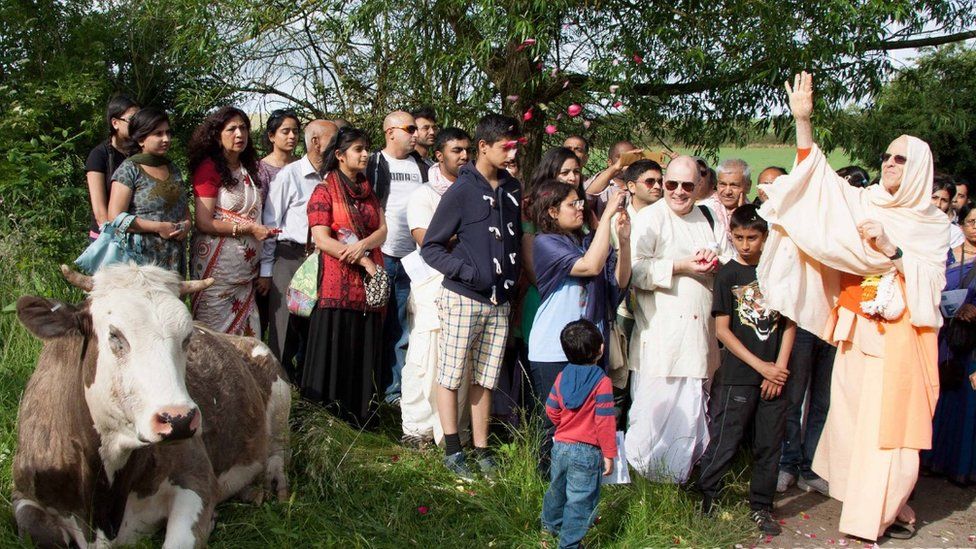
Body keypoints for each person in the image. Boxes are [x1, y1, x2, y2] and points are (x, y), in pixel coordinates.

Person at [756, 72, 948, 542]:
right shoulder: (866, 201)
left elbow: (933, 281)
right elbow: (817, 191)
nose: (889, 164)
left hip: (902, 337)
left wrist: (895, 252)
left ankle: (874, 516)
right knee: (853, 422)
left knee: (889, 429)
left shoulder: (933, 222)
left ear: (919, 167)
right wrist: (803, 122)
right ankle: (882, 505)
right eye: (886, 156)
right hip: (857, 329)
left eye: (901, 159)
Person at [421, 113, 523, 478]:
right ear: (483, 147)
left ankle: (481, 450)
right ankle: (452, 450)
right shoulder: (461, 191)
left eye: (515, 146)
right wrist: (468, 273)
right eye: (506, 147)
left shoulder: (513, 190)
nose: (512, 154)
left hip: (500, 302)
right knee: (450, 375)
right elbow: (431, 247)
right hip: (463, 297)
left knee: (486, 378)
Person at [624, 155, 731, 483]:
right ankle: (644, 475)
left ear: (699, 186)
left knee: (692, 407)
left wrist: (716, 263)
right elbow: (634, 271)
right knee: (656, 406)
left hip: (700, 332)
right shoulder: (651, 218)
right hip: (661, 334)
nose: (679, 192)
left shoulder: (709, 217)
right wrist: (681, 266)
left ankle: (680, 475)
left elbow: (728, 258)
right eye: (671, 184)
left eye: (687, 185)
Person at [697, 204, 796, 536]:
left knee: (769, 444)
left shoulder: (778, 272)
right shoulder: (728, 274)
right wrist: (761, 367)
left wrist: (779, 368)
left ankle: (761, 506)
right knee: (726, 438)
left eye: (752, 237)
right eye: (738, 237)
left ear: (765, 237)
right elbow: (723, 330)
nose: (745, 244)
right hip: (740, 374)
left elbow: (789, 323)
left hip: (776, 374)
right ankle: (707, 498)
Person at [528, 181, 630, 472]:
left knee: (589, 416)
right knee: (553, 418)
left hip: (590, 349)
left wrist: (624, 242)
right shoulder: (545, 242)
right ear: (552, 210)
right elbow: (589, 267)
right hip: (553, 348)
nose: (581, 208)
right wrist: (607, 218)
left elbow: (619, 284)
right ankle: (545, 477)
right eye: (573, 204)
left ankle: (582, 476)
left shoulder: (589, 241)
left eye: (581, 203)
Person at [303, 126, 388, 427]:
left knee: (362, 345)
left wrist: (364, 248)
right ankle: (325, 416)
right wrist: (362, 259)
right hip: (336, 282)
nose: (365, 154)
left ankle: (359, 416)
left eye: (366, 148)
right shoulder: (323, 190)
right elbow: (322, 239)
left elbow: (382, 230)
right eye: (358, 149)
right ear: (339, 155)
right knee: (335, 343)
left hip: (367, 284)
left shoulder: (369, 191)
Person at [400, 127, 472, 447]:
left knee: (460, 361)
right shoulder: (424, 195)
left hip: (467, 286)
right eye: (457, 150)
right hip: (432, 285)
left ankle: (453, 433)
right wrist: (470, 234)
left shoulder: (477, 192)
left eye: (468, 150)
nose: (465, 156)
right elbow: (426, 240)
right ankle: (418, 430)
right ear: (440, 155)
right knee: (424, 358)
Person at [260, 120, 338, 382]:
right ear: (316, 142)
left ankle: (309, 384)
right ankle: (276, 383)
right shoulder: (289, 175)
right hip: (291, 257)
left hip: (326, 258)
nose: (339, 145)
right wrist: (267, 270)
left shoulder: (335, 177)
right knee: (284, 325)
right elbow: (272, 224)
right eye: (333, 139)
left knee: (317, 325)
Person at [189, 106, 276, 336]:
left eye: (244, 128)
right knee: (215, 339)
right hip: (216, 273)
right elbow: (204, 222)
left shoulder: (249, 168)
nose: (240, 134)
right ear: (217, 135)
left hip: (245, 276)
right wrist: (248, 228)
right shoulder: (208, 168)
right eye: (232, 129)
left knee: (247, 340)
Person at [367, 110, 429, 404]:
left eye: (416, 128)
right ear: (390, 132)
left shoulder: (422, 166)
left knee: (403, 327)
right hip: (381, 255)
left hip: (413, 259)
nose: (415, 134)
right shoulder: (374, 164)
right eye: (409, 128)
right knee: (375, 324)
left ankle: (394, 393)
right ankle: (369, 388)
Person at [541, 320, 617, 549]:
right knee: (580, 501)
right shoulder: (602, 382)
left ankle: (549, 529)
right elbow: (604, 422)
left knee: (556, 489)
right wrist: (609, 453)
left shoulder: (562, 376)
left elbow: (551, 409)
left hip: (561, 446)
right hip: (587, 451)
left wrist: (562, 424)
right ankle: (570, 544)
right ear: (601, 349)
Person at [922, 203, 976, 485]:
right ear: (962, 225)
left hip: (971, 342)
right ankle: (929, 460)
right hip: (942, 334)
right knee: (936, 395)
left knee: (964, 403)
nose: (975, 226)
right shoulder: (945, 257)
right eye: (970, 221)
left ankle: (958, 465)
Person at [609, 160, 663, 423]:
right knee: (620, 375)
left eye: (660, 181)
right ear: (631, 186)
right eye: (649, 182)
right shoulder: (616, 219)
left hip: (657, 308)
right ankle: (617, 440)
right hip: (623, 308)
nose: (657, 187)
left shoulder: (666, 216)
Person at [106, 107, 190, 273]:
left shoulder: (173, 169)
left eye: (168, 132)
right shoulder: (129, 169)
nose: (166, 139)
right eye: (158, 134)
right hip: (141, 262)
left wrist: (187, 224)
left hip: (173, 258)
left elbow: (184, 209)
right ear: (141, 139)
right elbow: (116, 218)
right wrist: (158, 227)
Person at [255, 109, 302, 337]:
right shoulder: (260, 169)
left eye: (295, 131)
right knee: (267, 315)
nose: (292, 136)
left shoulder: (302, 168)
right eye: (285, 131)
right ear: (272, 136)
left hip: (292, 252)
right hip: (263, 248)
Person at [86, 95, 139, 241]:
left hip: (137, 236)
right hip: (107, 236)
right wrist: (113, 238)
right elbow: (99, 210)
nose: (137, 124)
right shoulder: (98, 155)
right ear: (115, 123)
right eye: (132, 119)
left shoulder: (140, 154)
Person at [582, 140, 643, 219]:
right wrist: (616, 167)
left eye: (631, 157)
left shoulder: (644, 184)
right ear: (610, 162)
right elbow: (586, 200)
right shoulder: (598, 183)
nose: (626, 161)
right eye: (622, 157)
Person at [701, 158, 751, 246]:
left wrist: (742, 214)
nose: (728, 192)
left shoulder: (756, 213)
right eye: (723, 184)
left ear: (748, 186)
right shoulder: (704, 210)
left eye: (734, 185)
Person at [933, 175, 965, 248]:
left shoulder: (953, 232)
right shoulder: (908, 220)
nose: (938, 204)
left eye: (944, 200)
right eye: (934, 198)